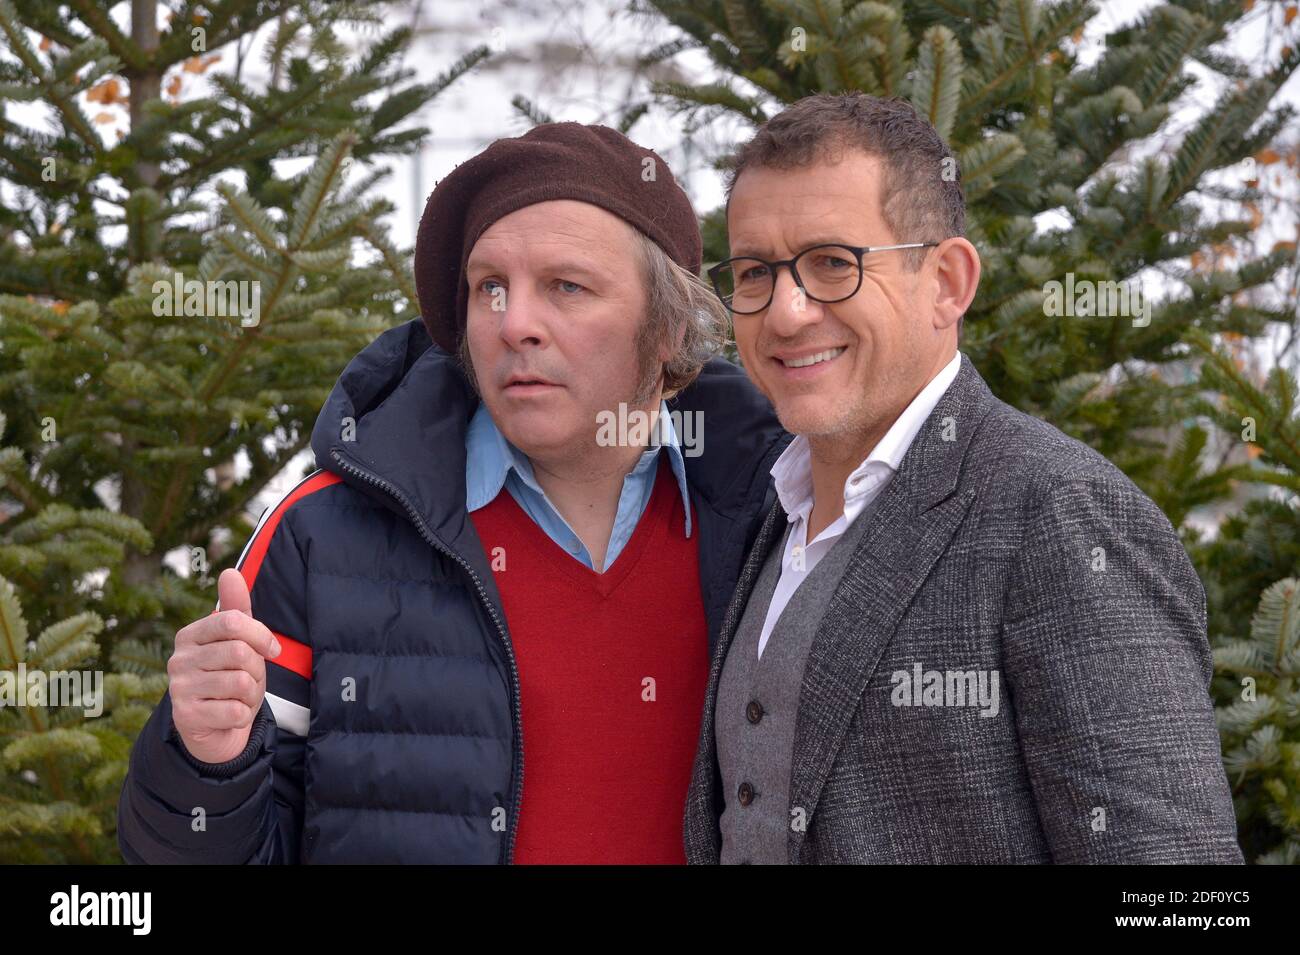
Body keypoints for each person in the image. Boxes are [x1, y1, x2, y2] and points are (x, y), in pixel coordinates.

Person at [118, 123, 789, 864]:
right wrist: (204, 763)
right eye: (488, 288)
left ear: (667, 327)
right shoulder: (324, 536)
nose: (515, 324)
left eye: (566, 286)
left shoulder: (778, 517)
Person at [683, 93, 1243, 864]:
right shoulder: (774, 513)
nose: (785, 312)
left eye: (832, 264)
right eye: (754, 272)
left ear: (947, 280)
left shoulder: (1058, 512)